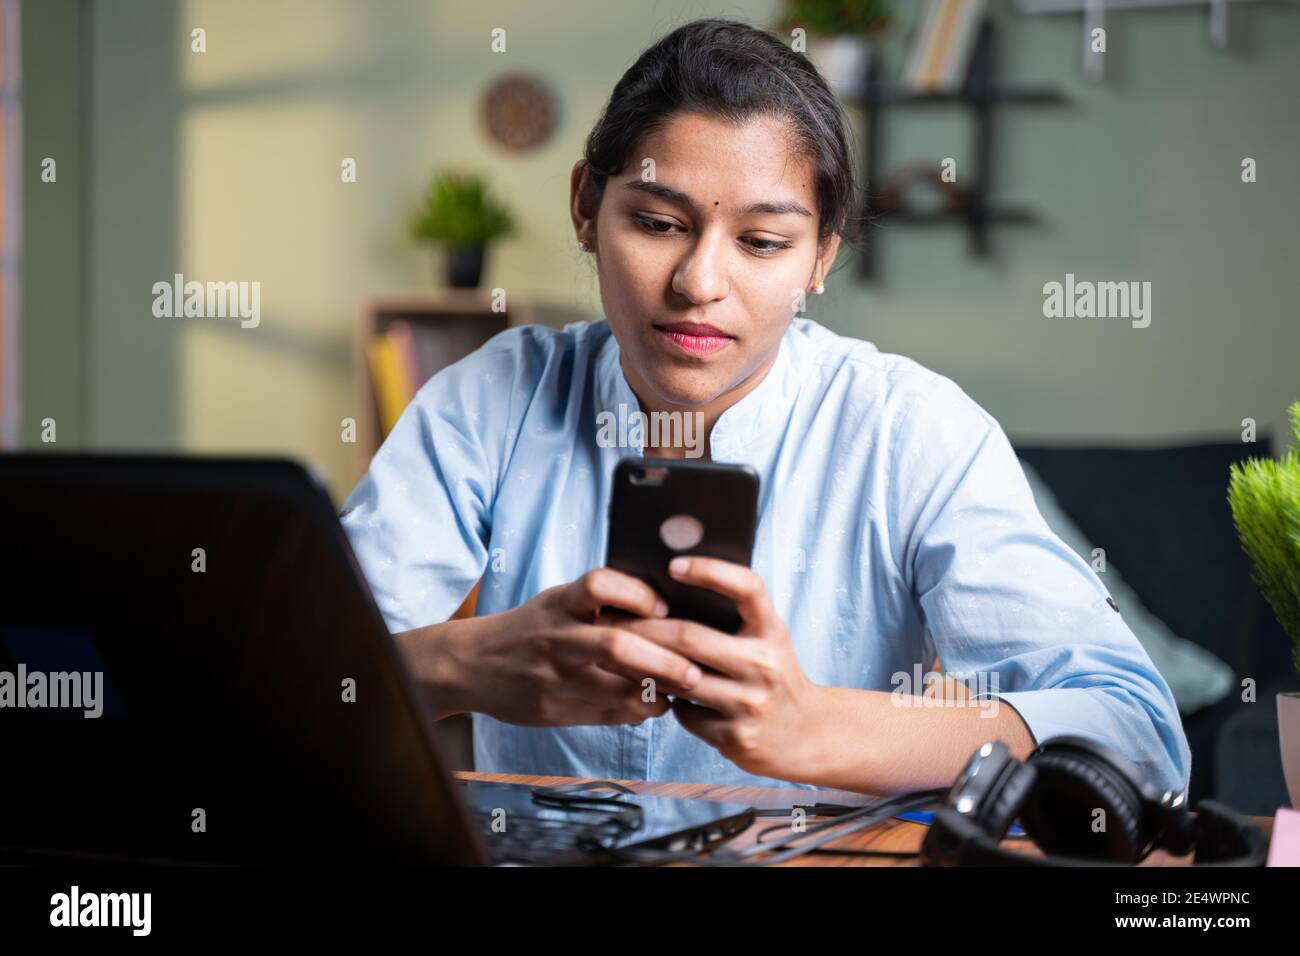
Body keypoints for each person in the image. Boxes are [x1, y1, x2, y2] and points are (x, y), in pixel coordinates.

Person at [341, 18, 1190, 798]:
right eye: (658, 221)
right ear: (586, 209)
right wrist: (464, 662)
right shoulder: (492, 399)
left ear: (821, 255)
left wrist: (812, 728)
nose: (699, 285)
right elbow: (277, 679)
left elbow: (1137, 735)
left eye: (762, 242)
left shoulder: (912, 430)